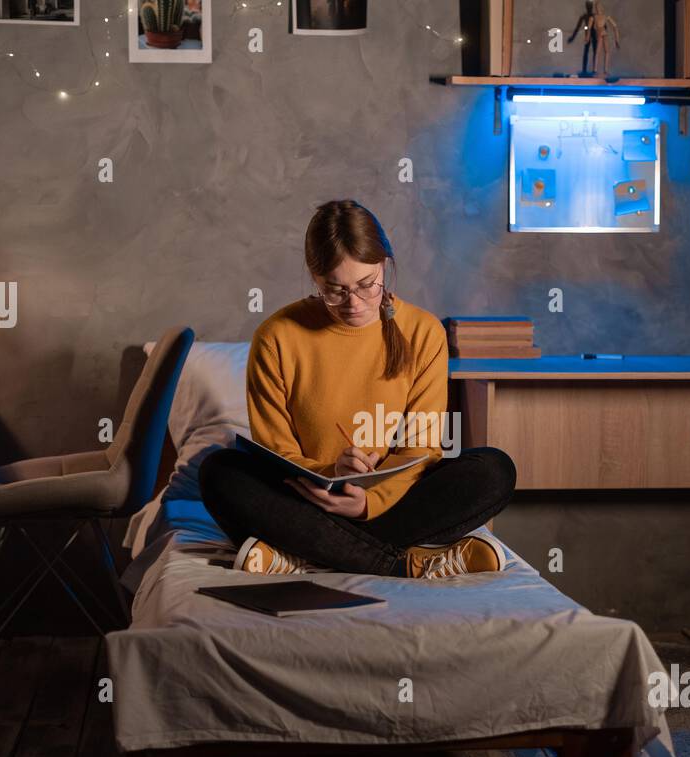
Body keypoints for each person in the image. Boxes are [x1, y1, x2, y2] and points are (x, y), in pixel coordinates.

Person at [198, 199, 517, 578]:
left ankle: (304, 553)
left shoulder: (424, 332)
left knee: (494, 469)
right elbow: (276, 452)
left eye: (367, 286)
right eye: (335, 290)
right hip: (307, 497)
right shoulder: (276, 337)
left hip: (393, 499)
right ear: (315, 277)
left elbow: (422, 447)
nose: (354, 304)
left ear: (385, 264)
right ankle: (399, 563)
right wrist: (331, 472)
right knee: (220, 471)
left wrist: (368, 501)